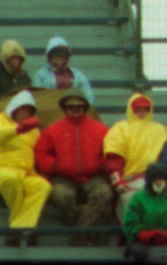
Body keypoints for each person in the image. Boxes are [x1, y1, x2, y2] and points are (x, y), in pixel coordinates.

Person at [33, 90, 113, 246]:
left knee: (104, 193)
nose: (75, 110)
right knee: (59, 194)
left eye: (79, 107)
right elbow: (41, 153)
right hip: (62, 177)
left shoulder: (101, 129)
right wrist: (54, 166)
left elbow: (111, 151)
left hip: (92, 176)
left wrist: (101, 164)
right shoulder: (52, 130)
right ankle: (87, 232)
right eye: (71, 107)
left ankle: (79, 235)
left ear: (85, 108)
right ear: (65, 109)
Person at [0, 89, 51, 247]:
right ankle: (26, 229)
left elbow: (38, 153)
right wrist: (18, 129)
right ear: (15, 107)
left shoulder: (33, 131)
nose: (26, 113)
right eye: (23, 108)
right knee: (11, 178)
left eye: (30, 110)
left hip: (24, 174)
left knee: (42, 186)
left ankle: (15, 229)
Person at [105, 92, 167, 219]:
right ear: (131, 110)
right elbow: (114, 157)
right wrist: (117, 179)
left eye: (145, 109)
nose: (141, 113)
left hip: (156, 177)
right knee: (130, 201)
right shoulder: (120, 129)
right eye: (138, 109)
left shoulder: (161, 130)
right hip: (130, 179)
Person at [122, 162, 167, 260]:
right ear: (149, 180)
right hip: (144, 246)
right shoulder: (138, 198)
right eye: (155, 179)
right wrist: (143, 235)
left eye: (161, 179)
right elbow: (129, 224)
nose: (158, 182)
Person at [30, 35, 98, 105]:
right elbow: (35, 98)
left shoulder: (78, 76)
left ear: (68, 58)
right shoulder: (40, 75)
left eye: (63, 57)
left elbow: (89, 98)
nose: (60, 61)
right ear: (49, 59)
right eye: (56, 57)